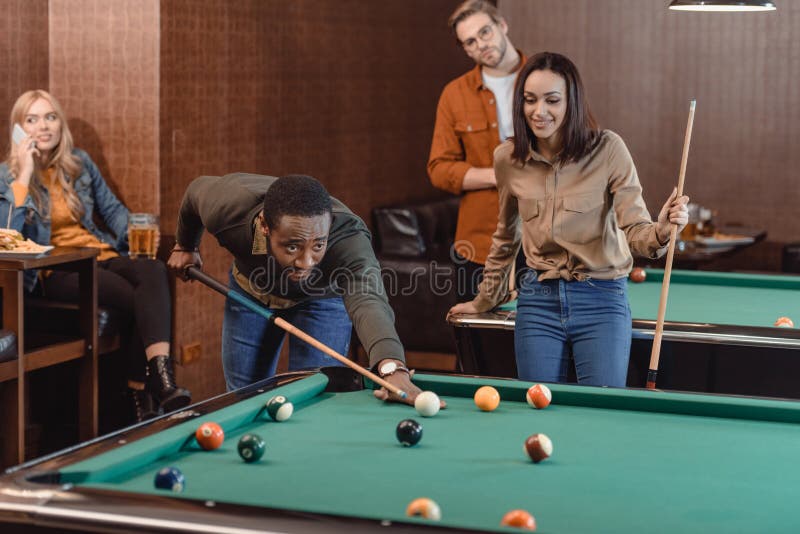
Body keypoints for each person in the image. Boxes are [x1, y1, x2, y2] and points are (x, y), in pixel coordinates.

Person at [448, 53, 689, 387]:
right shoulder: (508, 158)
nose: (539, 111)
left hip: (601, 299)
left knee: (601, 412)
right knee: (537, 408)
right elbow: (506, 237)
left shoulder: (607, 149)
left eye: (552, 100)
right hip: (537, 300)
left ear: (571, 102)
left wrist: (662, 230)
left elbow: (635, 230)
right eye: (530, 100)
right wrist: (483, 300)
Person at [0, 90, 191, 421]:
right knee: (140, 298)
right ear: (19, 129)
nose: (43, 126)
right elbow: (9, 236)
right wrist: (25, 173)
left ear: (60, 124)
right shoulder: (8, 176)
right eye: (32, 120)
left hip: (99, 254)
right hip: (57, 271)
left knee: (154, 271)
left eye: (50, 117)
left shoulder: (79, 163)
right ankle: (144, 393)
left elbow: (113, 211)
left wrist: (138, 233)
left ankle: (160, 382)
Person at [166, 173, 432, 407]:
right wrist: (185, 246)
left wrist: (390, 365)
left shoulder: (348, 238)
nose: (306, 262)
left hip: (321, 300)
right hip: (250, 294)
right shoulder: (229, 206)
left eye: (318, 246)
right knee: (244, 398)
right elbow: (194, 193)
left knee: (317, 395)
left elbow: (369, 300)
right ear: (264, 227)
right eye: (292, 246)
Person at [428, 0, 526, 300]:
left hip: (548, 243)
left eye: (485, 32)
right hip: (480, 244)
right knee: (480, 342)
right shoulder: (454, 94)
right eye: (470, 42)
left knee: (543, 341)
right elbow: (440, 169)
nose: (481, 44)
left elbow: (580, 148)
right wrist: (498, 175)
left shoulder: (546, 77)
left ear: (502, 25)